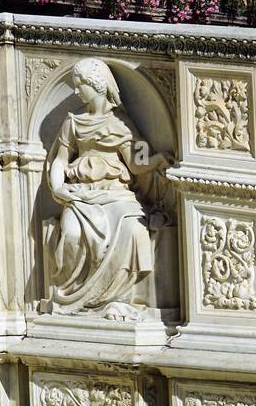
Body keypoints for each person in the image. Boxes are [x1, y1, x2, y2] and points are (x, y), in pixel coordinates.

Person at [45, 58, 172, 316]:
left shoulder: (119, 123)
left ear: (97, 85)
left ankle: (119, 298)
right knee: (70, 234)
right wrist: (58, 188)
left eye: (81, 85)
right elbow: (60, 160)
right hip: (81, 194)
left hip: (115, 193)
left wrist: (157, 160)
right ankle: (79, 299)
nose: (77, 91)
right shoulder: (73, 122)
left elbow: (135, 164)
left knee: (133, 229)